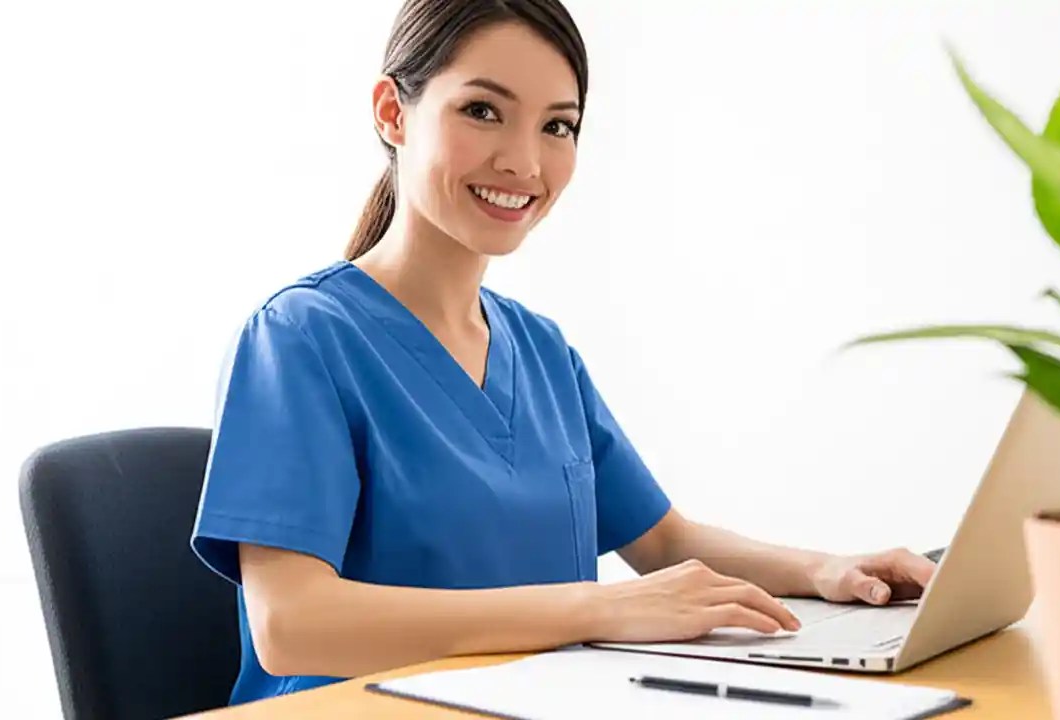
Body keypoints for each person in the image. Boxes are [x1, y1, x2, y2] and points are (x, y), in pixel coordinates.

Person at [191, 0, 936, 706]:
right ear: (394, 112)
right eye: (482, 111)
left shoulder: (540, 350)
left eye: (558, 126)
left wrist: (829, 570)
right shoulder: (300, 338)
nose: (524, 161)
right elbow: (292, 625)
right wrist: (599, 609)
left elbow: (663, 540)